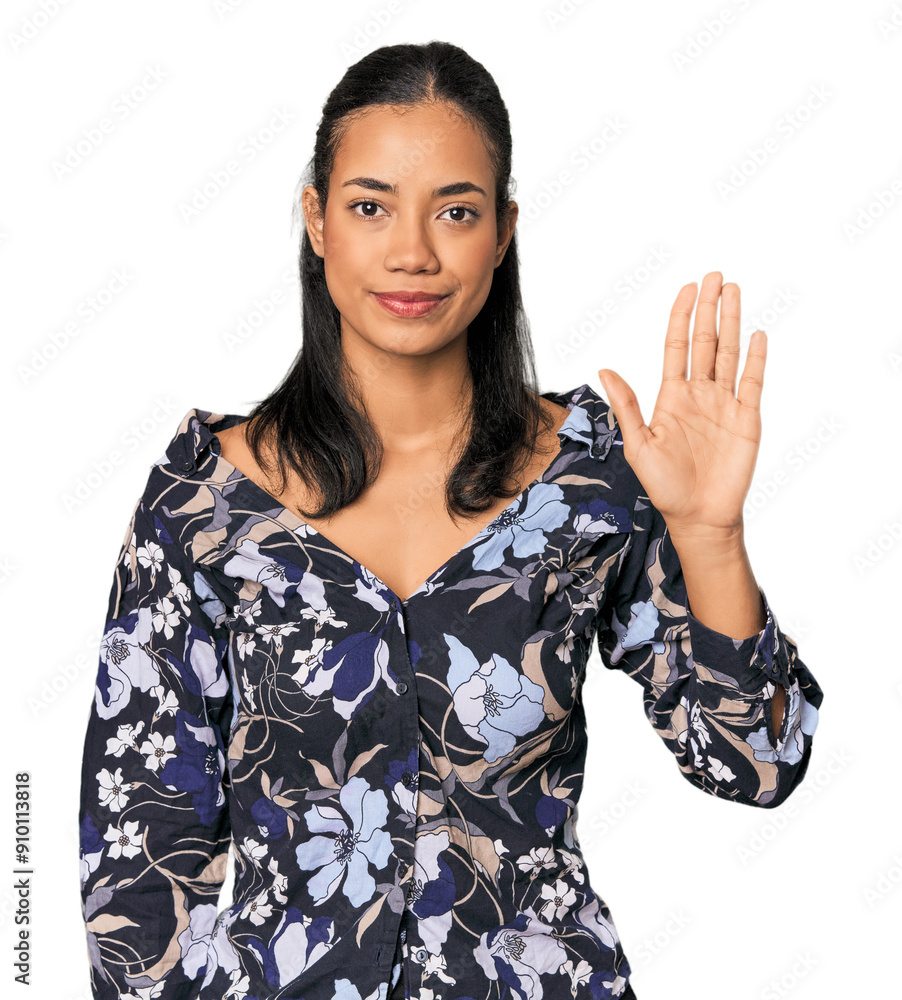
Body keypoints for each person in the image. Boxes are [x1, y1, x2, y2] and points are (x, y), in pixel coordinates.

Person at [77, 40, 823, 1000]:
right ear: (316, 219)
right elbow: (137, 870)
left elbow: (757, 763)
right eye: (371, 205)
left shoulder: (595, 477)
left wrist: (711, 538)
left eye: (457, 211)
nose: (414, 252)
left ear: (504, 230)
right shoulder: (206, 504)